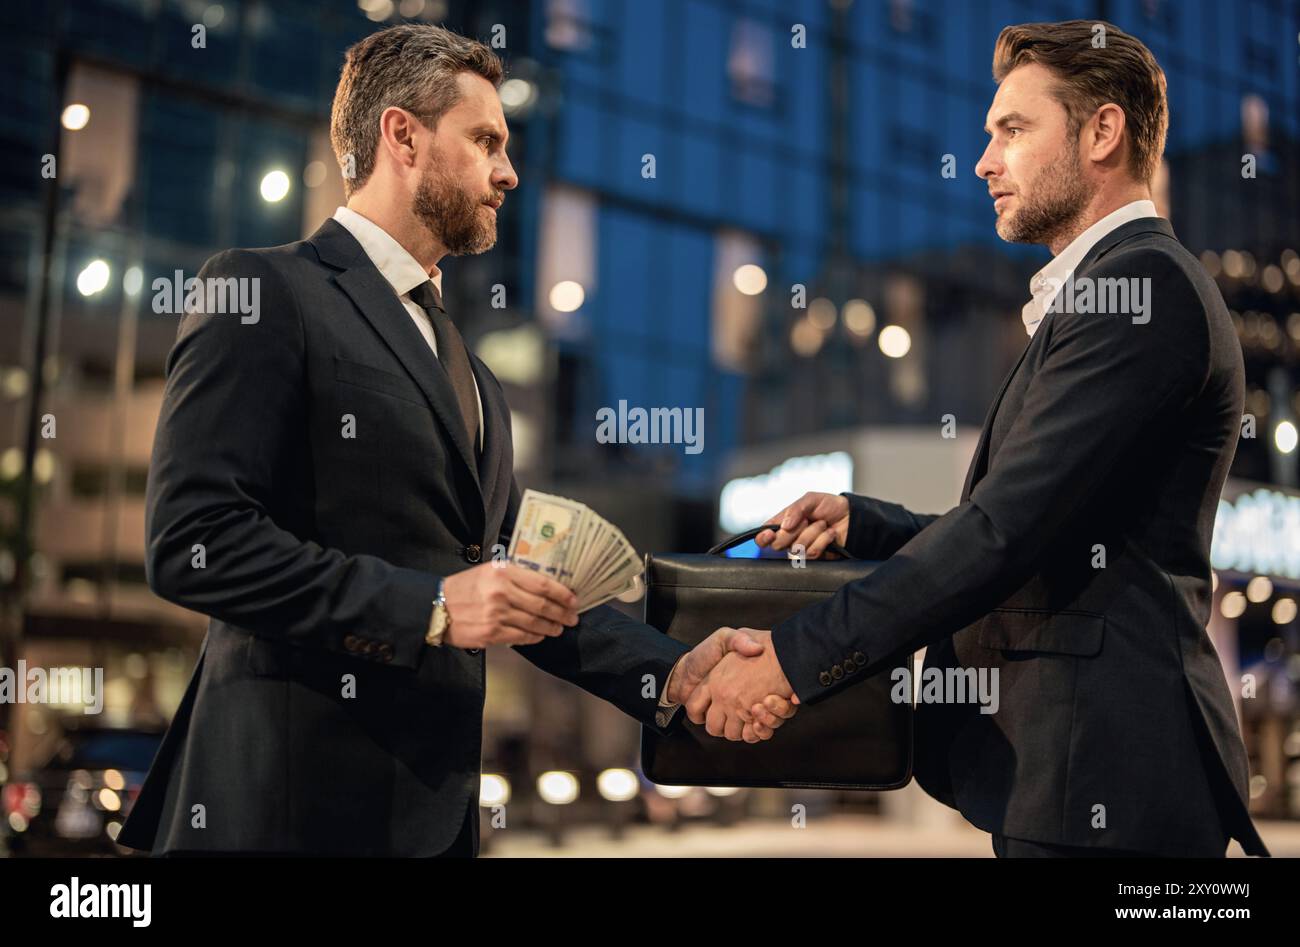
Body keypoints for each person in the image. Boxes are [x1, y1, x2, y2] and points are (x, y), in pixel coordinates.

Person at [118, 23, 793, 858]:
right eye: (484, 141)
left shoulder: (475, 376)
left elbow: (519, 591)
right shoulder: (261, 290)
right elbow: (193, 541)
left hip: (436, 827)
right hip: (284, 810)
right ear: (402, 135)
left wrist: (673, 672)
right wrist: (432, 606)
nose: (509, 171)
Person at [693, 20, 1270, 858]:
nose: (983, 161)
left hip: (1107, 779)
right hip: (1076, 777)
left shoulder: (1142, 289)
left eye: (1013, 130)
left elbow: (1004, 532)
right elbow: (1044, 535)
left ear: (1102, 132)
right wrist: (873, 525)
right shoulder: (1106, 292)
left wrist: (790, 660)